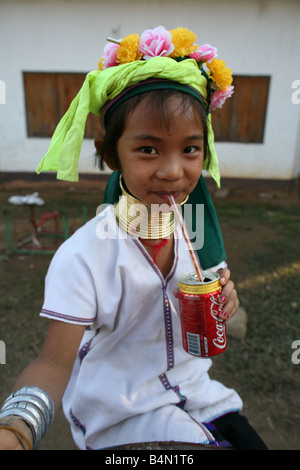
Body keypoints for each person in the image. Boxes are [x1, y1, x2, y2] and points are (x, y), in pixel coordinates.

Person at [0, 26, 267, 450]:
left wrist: (223, 303)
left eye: (190, 150)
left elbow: (204, 327)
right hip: (119, 415)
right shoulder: (84, 257)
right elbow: (51, 365)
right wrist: (15, 430)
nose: (173, 171)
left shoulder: (194, 234)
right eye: (148, 149)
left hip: (198, 394)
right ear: (111, 154)